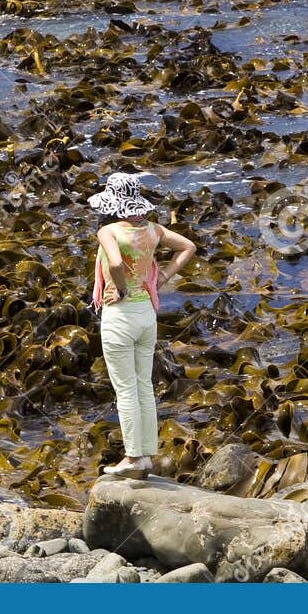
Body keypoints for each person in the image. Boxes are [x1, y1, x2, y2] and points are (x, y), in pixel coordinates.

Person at [89, 173, 196, 477]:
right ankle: (147, 454)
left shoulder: (109, 231)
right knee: (143, 386)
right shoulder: (154, 230)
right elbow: (188, 247)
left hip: (120, 315)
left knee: (125, 390)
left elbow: (112, 263)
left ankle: (133, 458)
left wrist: (119, 288)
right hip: (146, 314)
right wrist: (162, 276)